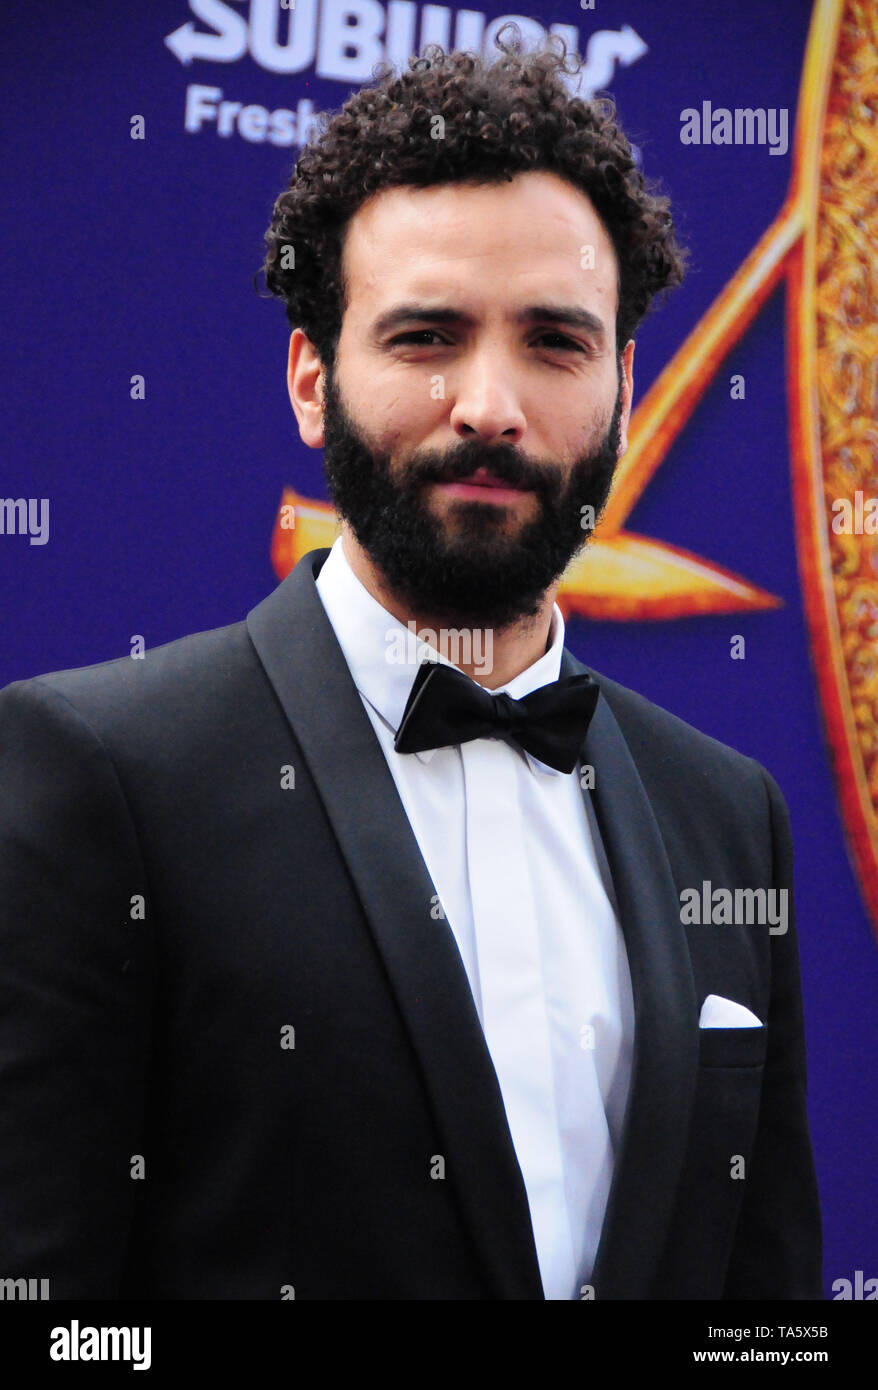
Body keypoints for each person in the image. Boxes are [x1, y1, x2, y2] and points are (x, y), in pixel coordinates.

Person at [0, 32, 821, 1300]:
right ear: (312, 381)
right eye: (427, 334)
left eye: (554, 341)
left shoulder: (728, 814)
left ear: (620, 384)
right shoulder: (103, 775)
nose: (489, 402)